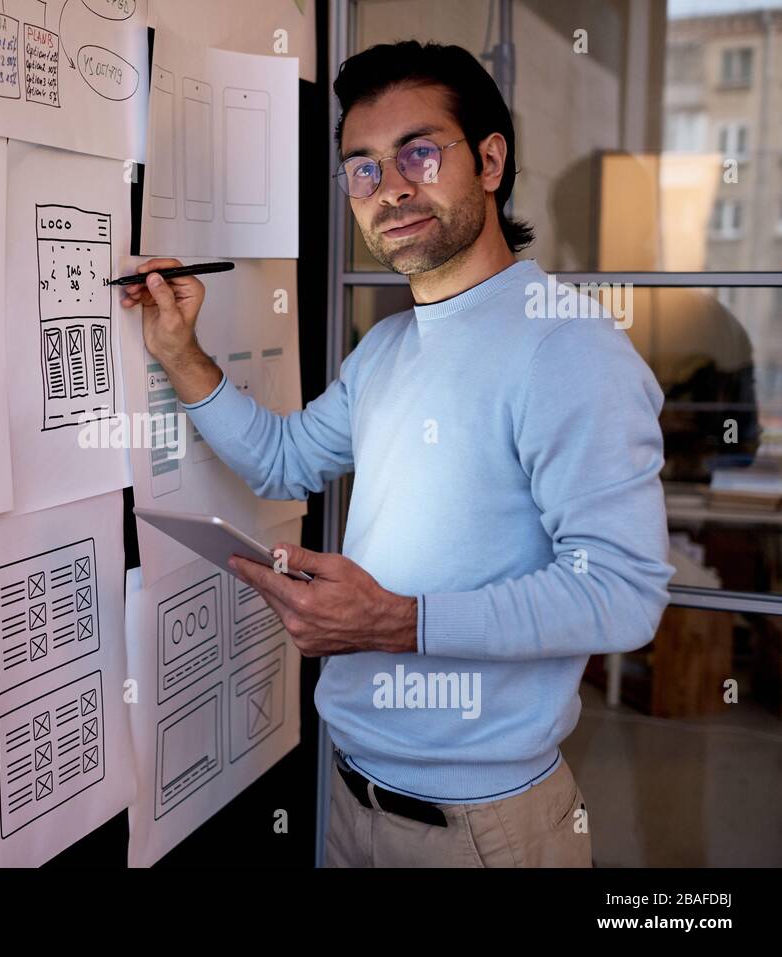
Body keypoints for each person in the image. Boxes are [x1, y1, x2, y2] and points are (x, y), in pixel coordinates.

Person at [120, 40, 674, 867]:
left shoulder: (568, 348)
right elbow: (283, 459)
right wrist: (179, 352)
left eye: (420, 152)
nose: (392, 189)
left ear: (490, 160)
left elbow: (625, 593)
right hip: (349, 797)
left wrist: (401, 621)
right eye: (364, 168)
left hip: (483, 831)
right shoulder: (387, 348)